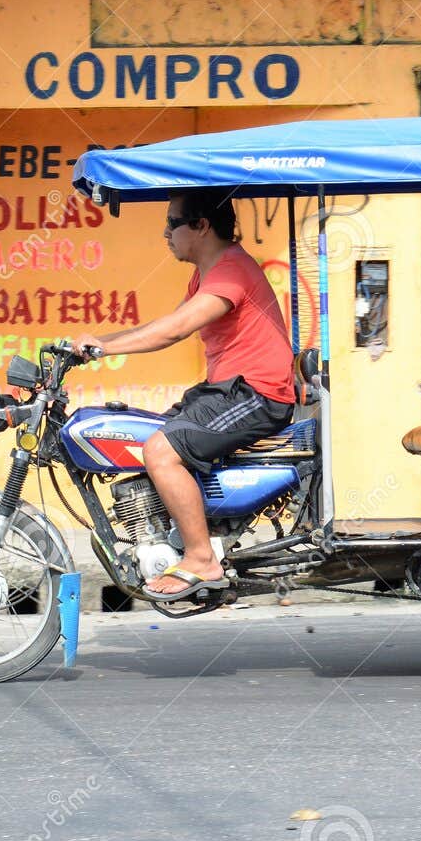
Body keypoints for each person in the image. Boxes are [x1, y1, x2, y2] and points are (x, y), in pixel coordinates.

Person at [75, 188, 295, 602]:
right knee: (151, 433)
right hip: (227, 389)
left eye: (171, 224)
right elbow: (165, 326)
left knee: (161, 451)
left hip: (257, 393)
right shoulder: (208, 273)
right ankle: (177, 537)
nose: (165, 234)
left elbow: (174, 331)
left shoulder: (231, 271)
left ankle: (201, 558)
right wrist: (98, 344)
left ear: (201, 226)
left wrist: (103, 347)